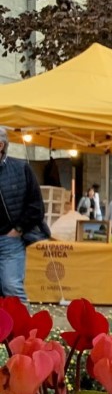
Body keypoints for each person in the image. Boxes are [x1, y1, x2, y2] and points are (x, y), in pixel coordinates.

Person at [0, 128, 47, 303]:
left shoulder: (21, 169)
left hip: (9, 239)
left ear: (0, 145)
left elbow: (36, 206)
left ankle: (23, 331)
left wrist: (18, 229)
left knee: (11, 287)